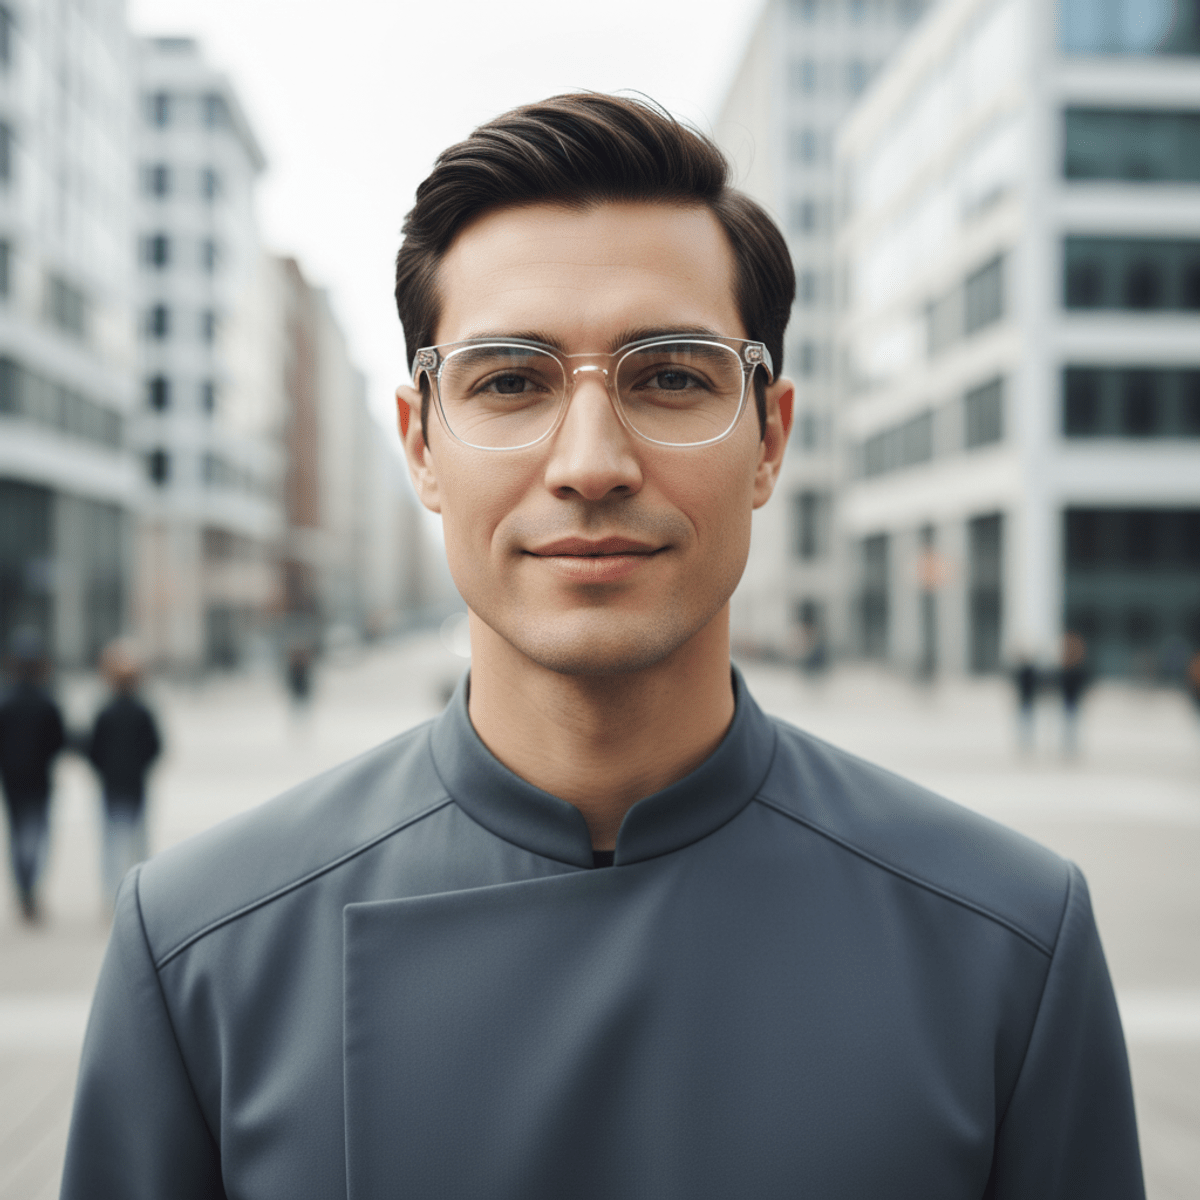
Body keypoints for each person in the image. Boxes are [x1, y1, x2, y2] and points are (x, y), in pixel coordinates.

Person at [61, 95, 1144, 1198]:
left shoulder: (1009, 943)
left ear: (769, 438)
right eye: (510, 382)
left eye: (670, 376)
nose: (591, 462)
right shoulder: (200, 951)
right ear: (421, 446)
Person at [87, 641, 162, 906]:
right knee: (137, 843)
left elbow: (93, 750)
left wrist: (105, 769)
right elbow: (156, 747)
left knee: (111, 844)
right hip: (136, 783)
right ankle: (139, 895)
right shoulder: (143, 711)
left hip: (111, 784)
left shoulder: (104, 713)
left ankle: (112, 894)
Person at [0, 628, 65, 922]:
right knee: (36, 836)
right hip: (39, 779)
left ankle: (24, 890)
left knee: (17, 835)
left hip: (12, 780)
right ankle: (30, 889)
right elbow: (58, 741)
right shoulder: (46, 700)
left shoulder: (6, 700)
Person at [1060, 630, 1090, 757]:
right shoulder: (1067, 669)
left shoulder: (1074, 670)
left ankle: (1069, 746)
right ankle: (1068, 746)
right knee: (1069, 725)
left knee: (1070, 725)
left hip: (1071, 700)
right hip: (1069, 700)